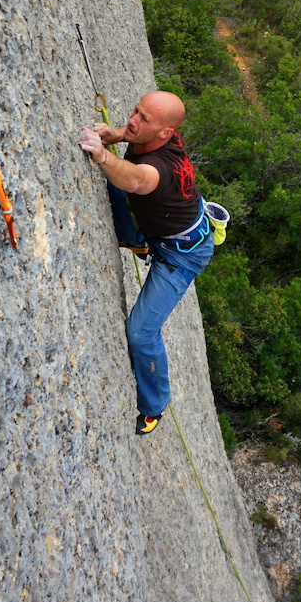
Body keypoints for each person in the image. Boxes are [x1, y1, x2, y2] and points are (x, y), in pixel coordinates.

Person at [79, 91, 214, 435]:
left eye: (144, 119)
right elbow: (137, 137)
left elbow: (139, 180)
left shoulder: (158, 171)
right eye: (136, 110)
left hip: (181, 257)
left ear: (166, 134)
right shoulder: (161, 132)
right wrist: (118, 134)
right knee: (116, 186)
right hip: (168, 228)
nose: (134, 120)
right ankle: (137, 241)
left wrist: (103, 156)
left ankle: (155, 405)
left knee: (141, 333)